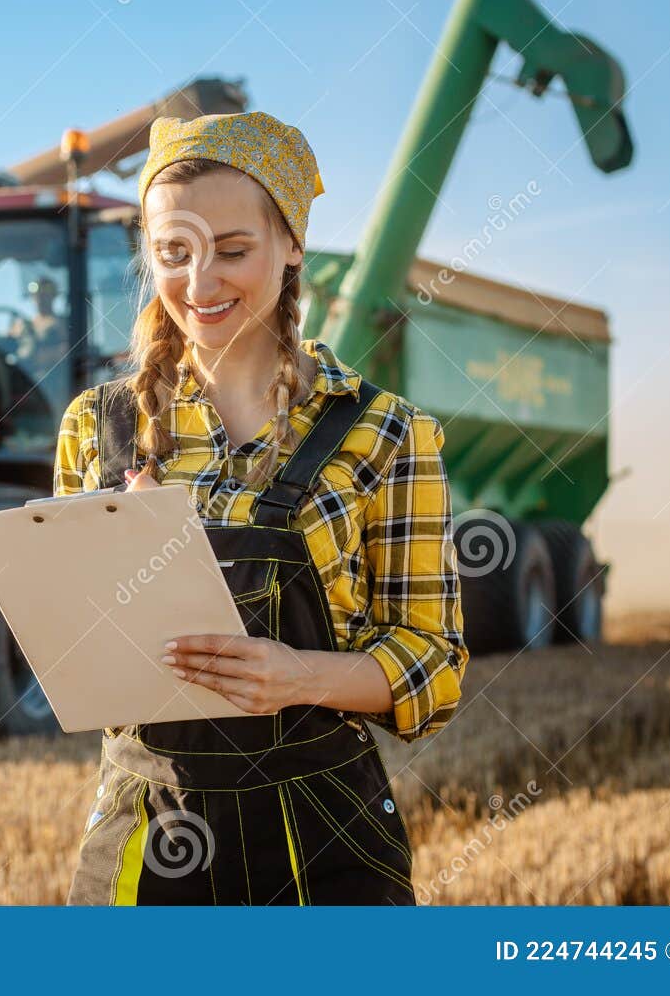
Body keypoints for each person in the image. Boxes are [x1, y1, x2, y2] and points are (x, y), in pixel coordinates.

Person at [55, 110, 468, 905]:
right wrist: (122, 566)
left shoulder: (387, 432)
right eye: (173, 253)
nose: (200, 284)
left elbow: (435, 664)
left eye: (234, 250)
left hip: (322, 836)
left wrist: (296, 676)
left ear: (292, 249)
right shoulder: (97, 429)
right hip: (147, 835)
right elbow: (76, 660)